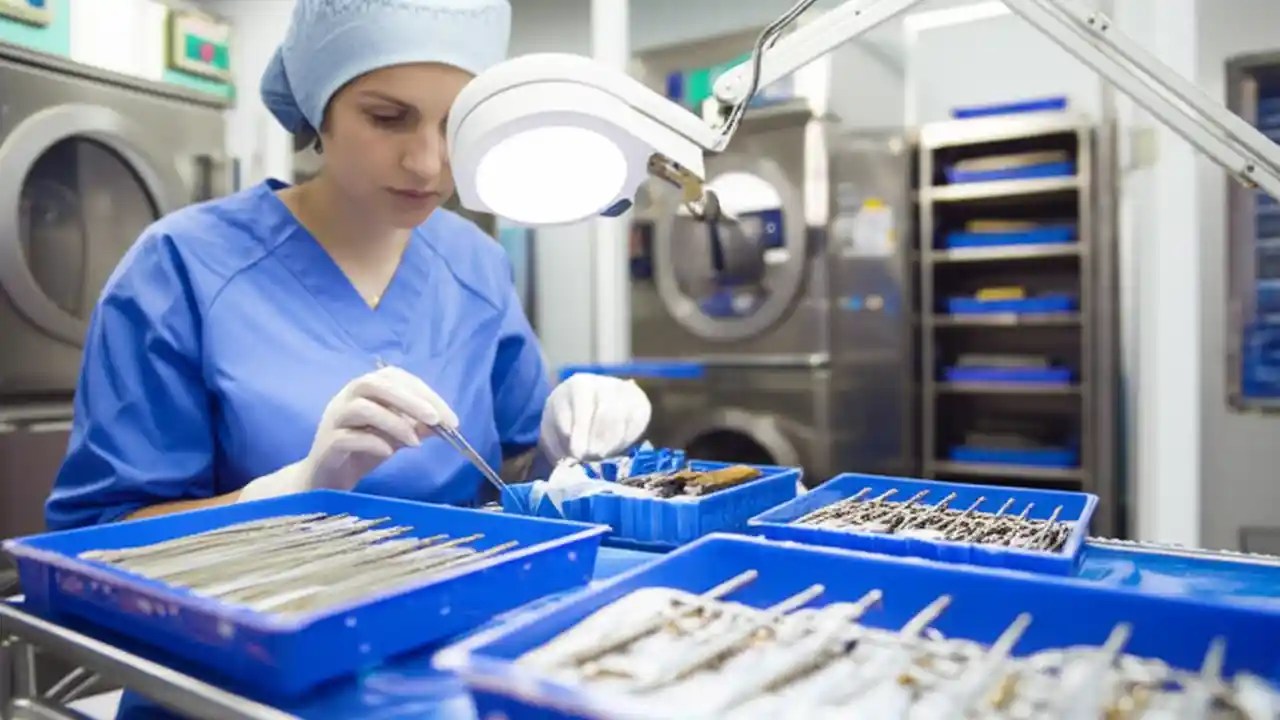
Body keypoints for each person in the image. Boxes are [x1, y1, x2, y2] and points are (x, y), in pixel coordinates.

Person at [45, 0, 652, 535]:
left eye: (457, 124)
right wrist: (289, 492)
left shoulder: (476, 263)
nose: (426, 163)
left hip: (458, 634)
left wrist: (555, 446)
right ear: (319, 108)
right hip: (242, 648)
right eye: (388, 118)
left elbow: (508, 480)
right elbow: (102, 539)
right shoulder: (181, 268)